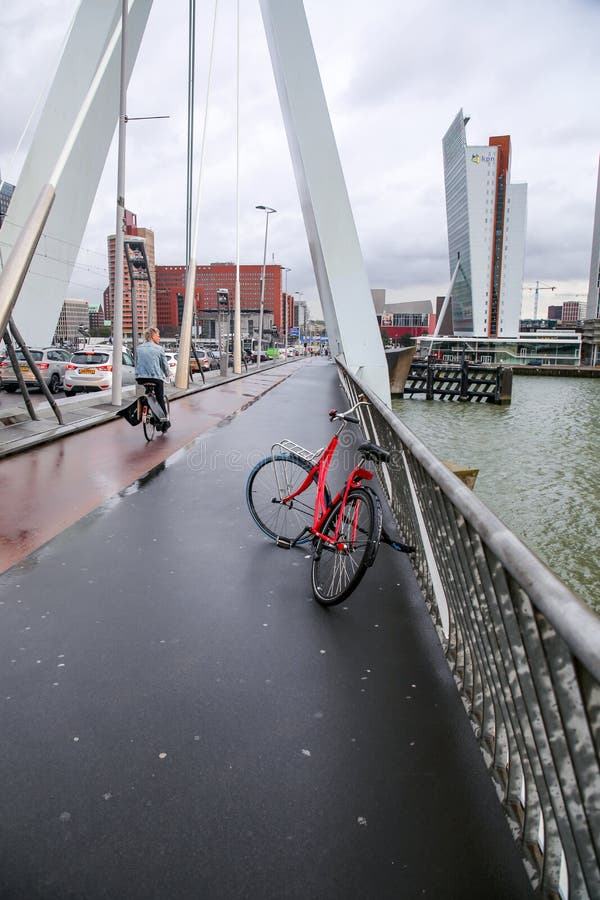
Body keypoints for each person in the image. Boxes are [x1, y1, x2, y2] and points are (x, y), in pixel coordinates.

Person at [135, 327, 171, 431]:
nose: (159, 337)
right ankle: (164, 423)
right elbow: (164, 366)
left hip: (140, 378)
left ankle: (147, 404)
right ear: (152, 336)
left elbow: (138, 363)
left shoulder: (139, 348)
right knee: (160, 398)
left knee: (148, 390)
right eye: (158, 335)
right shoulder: (159, 349)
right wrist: (168, 373)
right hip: (155, 378)